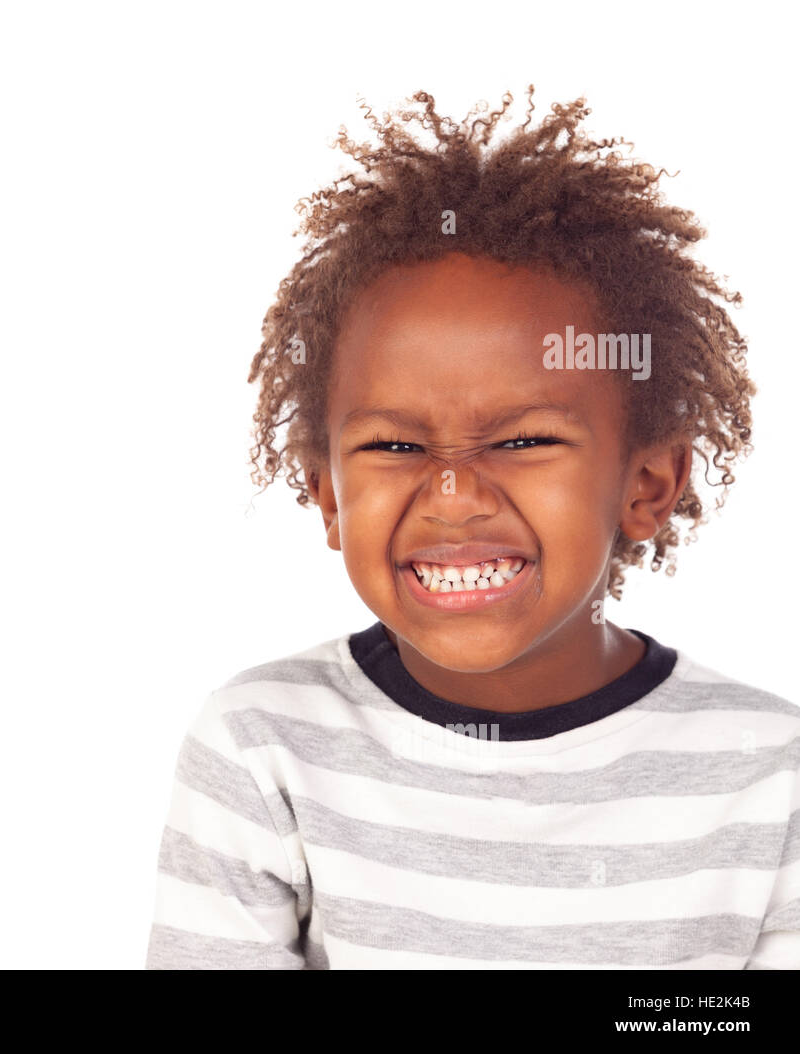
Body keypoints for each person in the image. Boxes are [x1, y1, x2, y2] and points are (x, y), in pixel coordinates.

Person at [144, 87, 799, 969]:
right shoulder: (265, 748)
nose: (452, 495)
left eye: (525, 439)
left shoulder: (768, 776)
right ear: (328, 497)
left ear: (646, 485)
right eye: (397, 443)